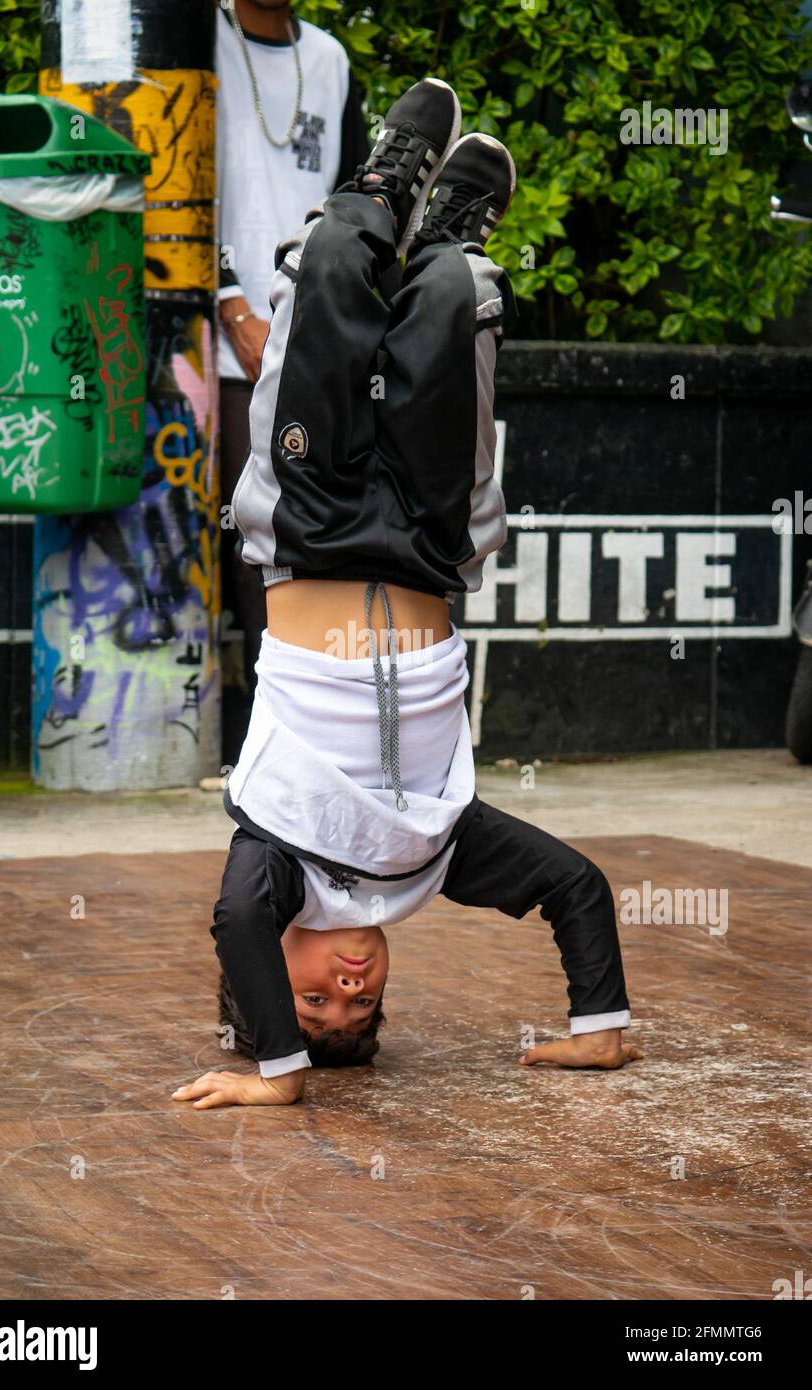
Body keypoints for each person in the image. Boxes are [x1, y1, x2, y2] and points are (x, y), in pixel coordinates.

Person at [174, 79, 640, 1110]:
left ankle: (385, 185)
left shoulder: (276, 859)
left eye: (312, 1008)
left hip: (311, 531)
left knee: (334, 275)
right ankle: (448, 236)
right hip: (428, 548)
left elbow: (234, 924)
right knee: (447, 305)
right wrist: (598, 1030)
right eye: (361, 1014)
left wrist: (278, 1072)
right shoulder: (438, 851)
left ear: (262, 984)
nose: (346, 994)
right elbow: (575, 888)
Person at [216, 0, 369, 707]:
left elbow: (354, 206)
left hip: (311, 343)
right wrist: (230, 302)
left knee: (300, 542)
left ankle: (297, 720)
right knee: (240, 540)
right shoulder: (201, 41)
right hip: (221, 346)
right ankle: (244, 734)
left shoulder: (331, 61)